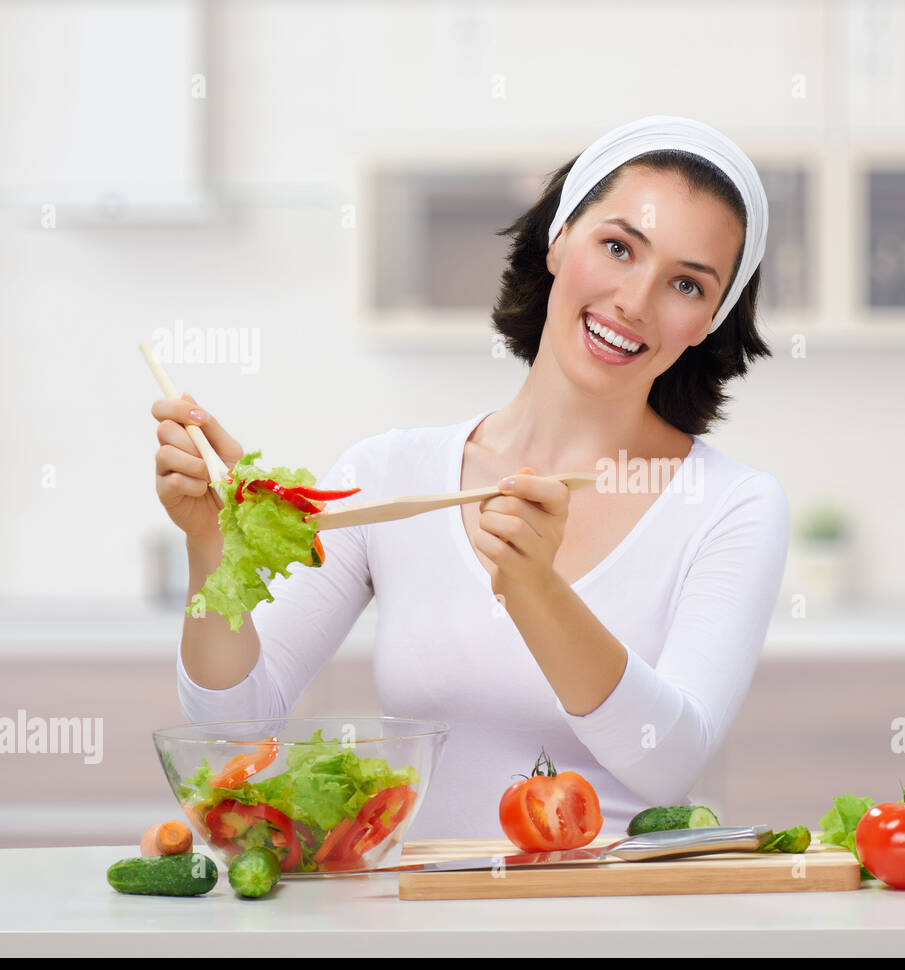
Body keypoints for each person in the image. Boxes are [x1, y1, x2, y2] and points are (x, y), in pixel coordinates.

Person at [150, 115, 790, 840]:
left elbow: (668, 762)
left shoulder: (731, 506)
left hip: (617, 924)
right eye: (617, 247)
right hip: (422, 924)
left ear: (709, 321)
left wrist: (535, 591)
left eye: (686, 283)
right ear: (558, 242)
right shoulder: (390, 475)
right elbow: (234, 729)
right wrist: (213, 551)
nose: (636, 301)